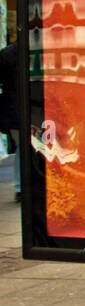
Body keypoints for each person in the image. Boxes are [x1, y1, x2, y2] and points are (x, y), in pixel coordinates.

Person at [0, 40, 19, 200]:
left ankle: (20, 186)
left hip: (12, 110)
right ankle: (22, 186)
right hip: (29, 108)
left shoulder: (7, 53)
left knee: (22, 149)